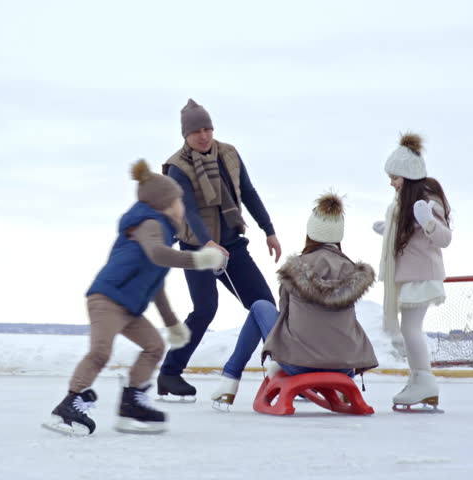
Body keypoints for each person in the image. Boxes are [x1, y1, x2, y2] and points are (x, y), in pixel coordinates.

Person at [42, 159, 226, 436]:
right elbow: (158, 255)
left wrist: (173, 323)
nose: (182, 207)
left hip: (129, 307)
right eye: (179, 201)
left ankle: (131, 404)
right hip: (107, 298)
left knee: (154, 347)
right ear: (165, 203)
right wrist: (199, 260)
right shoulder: (149, 223)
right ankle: (69, 404)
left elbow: (156, 285)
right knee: (100, 352)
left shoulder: (161, 231)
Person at [157, 99, 282, 401]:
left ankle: (285, 367)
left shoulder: (229, 154)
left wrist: (269, 230)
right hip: (197, 249)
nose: (203, 135)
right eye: (196, 131)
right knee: (205, 309)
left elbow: (249, 193)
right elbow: (188, 209)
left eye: (207, 128)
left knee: (263, 304)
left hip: (233, 245)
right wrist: (207, 242)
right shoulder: (178, 167)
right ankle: (169, 375)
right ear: (185, 135)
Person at [210, 193, 378, 410]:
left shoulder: (296, 267)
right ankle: (340, 389)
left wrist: (276, 356)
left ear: (311, 232)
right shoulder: (354, 272)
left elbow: (284, 314)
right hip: (344, 367)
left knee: (260, 306)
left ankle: (229, 380)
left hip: (298, 365)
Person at [374, 133, 452, 411]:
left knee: (410, 328)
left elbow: (444, 238)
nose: (391, 182)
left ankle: (424, 380)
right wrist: (389, 231)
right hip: (410, 276)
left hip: (422, 276)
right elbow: (410, 235)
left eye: (395, 176)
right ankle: (418, 378)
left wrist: (428, 221)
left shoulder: (427, 201)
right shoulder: (401, 205)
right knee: (408, 329)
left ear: (408, 175)